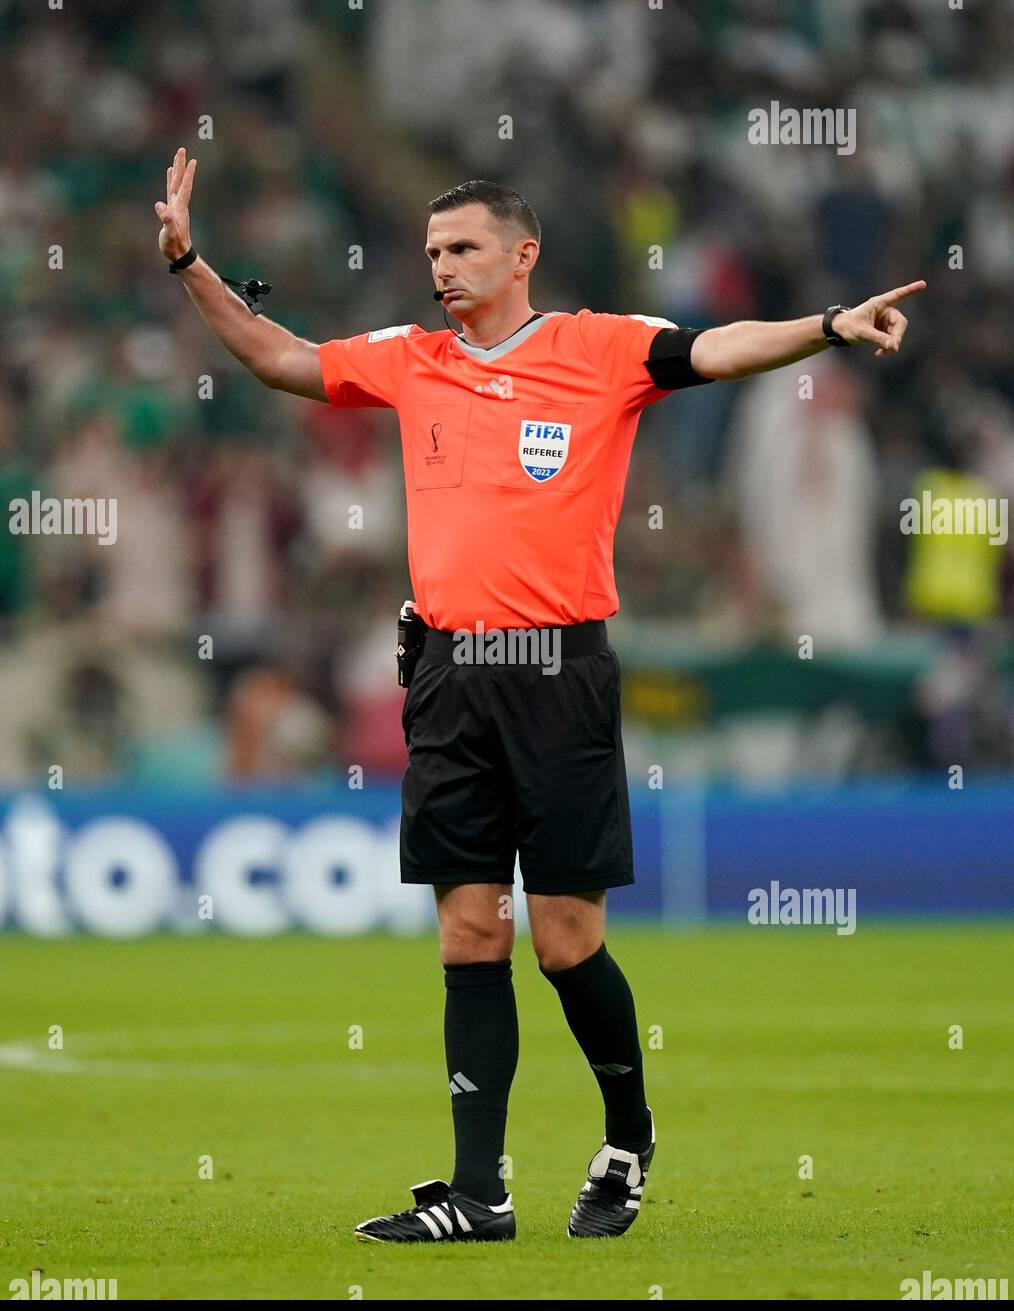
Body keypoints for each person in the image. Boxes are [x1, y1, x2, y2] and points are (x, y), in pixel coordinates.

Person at [155, 147, 924, 1242]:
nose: (442, 268)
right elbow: (280, 355)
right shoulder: (411, 359)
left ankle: (627, 1135)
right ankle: (480, 1193)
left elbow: (718, 345)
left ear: (523, 255)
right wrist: (189, 262)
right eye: (431, 252)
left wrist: (830, 323)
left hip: (558, 672)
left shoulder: (598, 348)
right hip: (448, 674)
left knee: (563, 937)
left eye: (462, 247)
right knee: (471, 931)